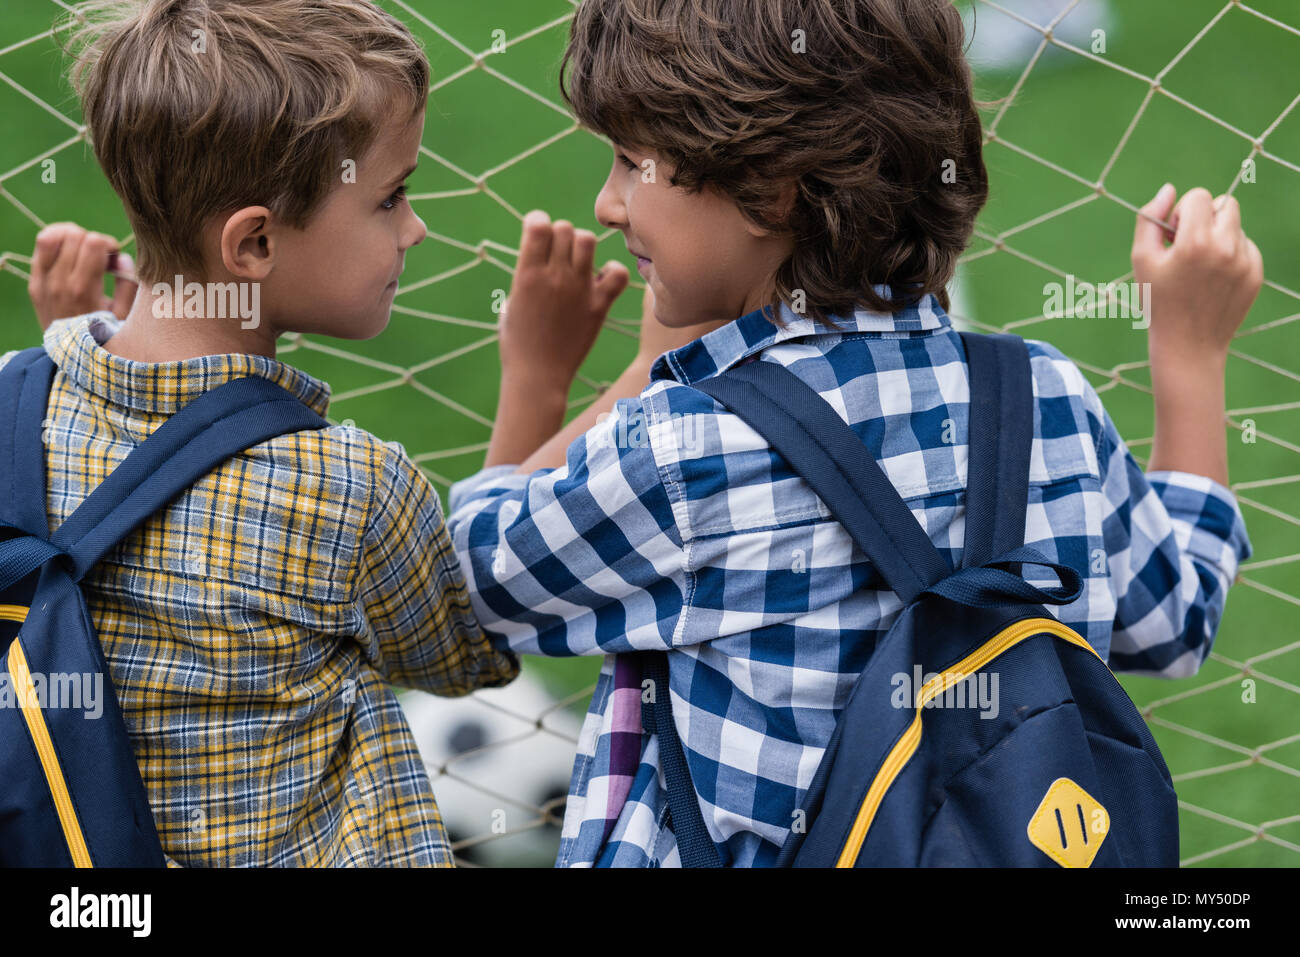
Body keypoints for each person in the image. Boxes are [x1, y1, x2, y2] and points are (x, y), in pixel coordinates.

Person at [444, 0, 1262, 866]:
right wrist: (1189, 352)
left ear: (772, 189)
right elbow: (1173, 618)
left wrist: (563, 378)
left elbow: (470, 582)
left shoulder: (683, 449)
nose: (608, 202)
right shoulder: (1042, 392)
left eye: (629, 161)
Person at [6, 0, 583, 866]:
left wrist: (68, 333)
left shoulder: (14, 404)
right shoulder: (346, 485)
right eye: (390, 198)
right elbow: (475, 643)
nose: (415, 228)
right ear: (256, 243)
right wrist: (543, 379)